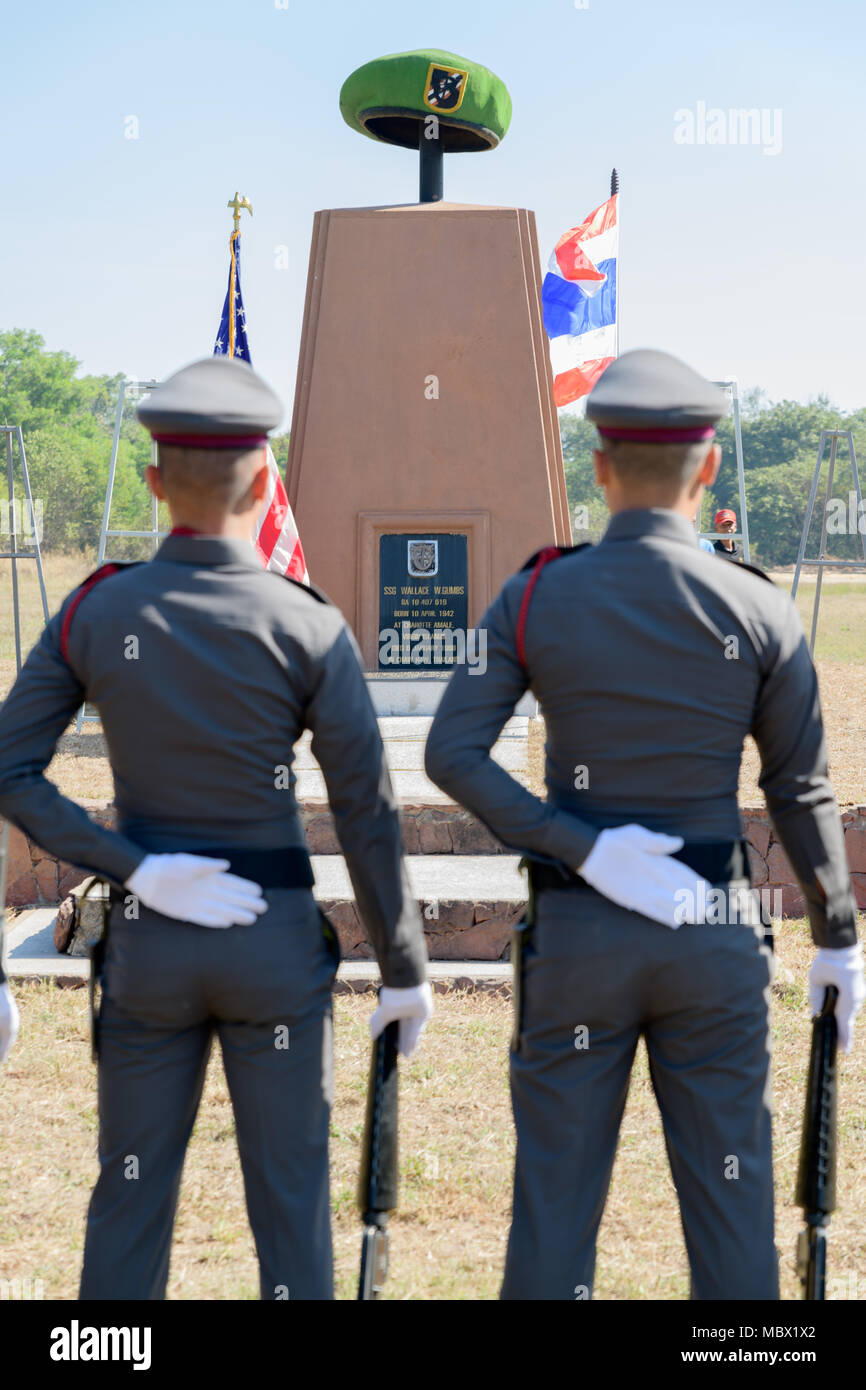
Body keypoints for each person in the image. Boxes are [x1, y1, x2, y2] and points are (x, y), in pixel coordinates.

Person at [425, 348, 863, 1301]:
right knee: (732, 1210)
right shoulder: (756, 604)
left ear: (600, 467)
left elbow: (451, 755)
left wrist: (581, 846)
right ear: (708, 471)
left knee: (553, 1207)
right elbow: (800, 788)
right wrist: (838, 939)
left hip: (578, 935)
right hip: (711, 936)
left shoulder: (538, 593)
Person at [0, 356, 432, 1300]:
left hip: (151, 946)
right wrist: (403, 968)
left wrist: (137, 868)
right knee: (289, 1199)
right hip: (271, 943)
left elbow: (9, 768)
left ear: (154, 482)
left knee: (128, 1195)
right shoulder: (308, 623)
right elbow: (366, 807)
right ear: (265, 480)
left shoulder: (98, 608)